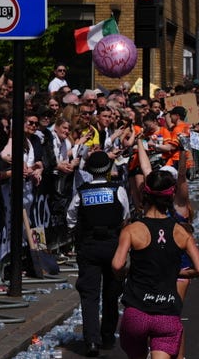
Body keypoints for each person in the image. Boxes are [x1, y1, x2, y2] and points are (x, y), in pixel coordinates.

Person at [112, 166, 199, 359]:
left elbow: (117, 265)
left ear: (145, 194)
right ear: (170, 197)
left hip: (137, 311)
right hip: (167, 313)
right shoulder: (181, 231)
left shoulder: (132, 229)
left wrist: (126, 274)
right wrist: (179, 273)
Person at [68, 151, 130, 356]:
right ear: (108, 168)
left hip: (89, 245)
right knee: (112, 293)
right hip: (113, 244)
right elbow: (125, 216)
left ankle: (91, 341)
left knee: (89, 295)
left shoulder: (82, 191)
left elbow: (71, 219)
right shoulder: (118, 190)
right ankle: (108, 335)